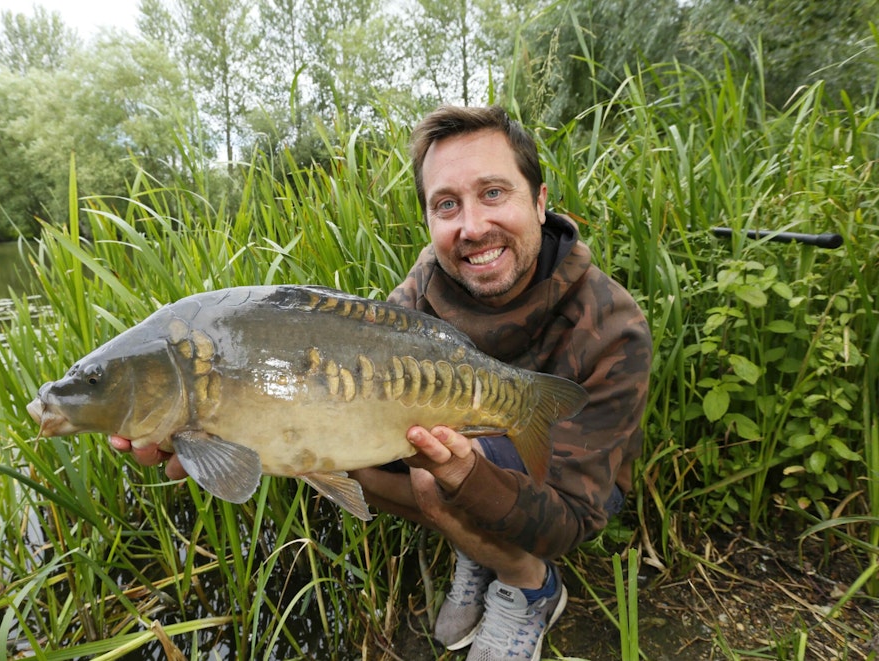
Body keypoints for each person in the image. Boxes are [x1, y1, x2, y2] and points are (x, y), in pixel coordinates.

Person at [111, 105, 652, 660]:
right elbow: (343, 376)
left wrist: (465, 478)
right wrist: (223, 433)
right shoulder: (428, 283)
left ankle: (529, 583)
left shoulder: (611, 326)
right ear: (428, 217)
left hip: (574, 489)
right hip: (474, 447)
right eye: (447, 204)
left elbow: (573, 521)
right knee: (352, 453)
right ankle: (478, 542)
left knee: (435, 484)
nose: (471, 227)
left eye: (494, 193)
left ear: (539, 202)